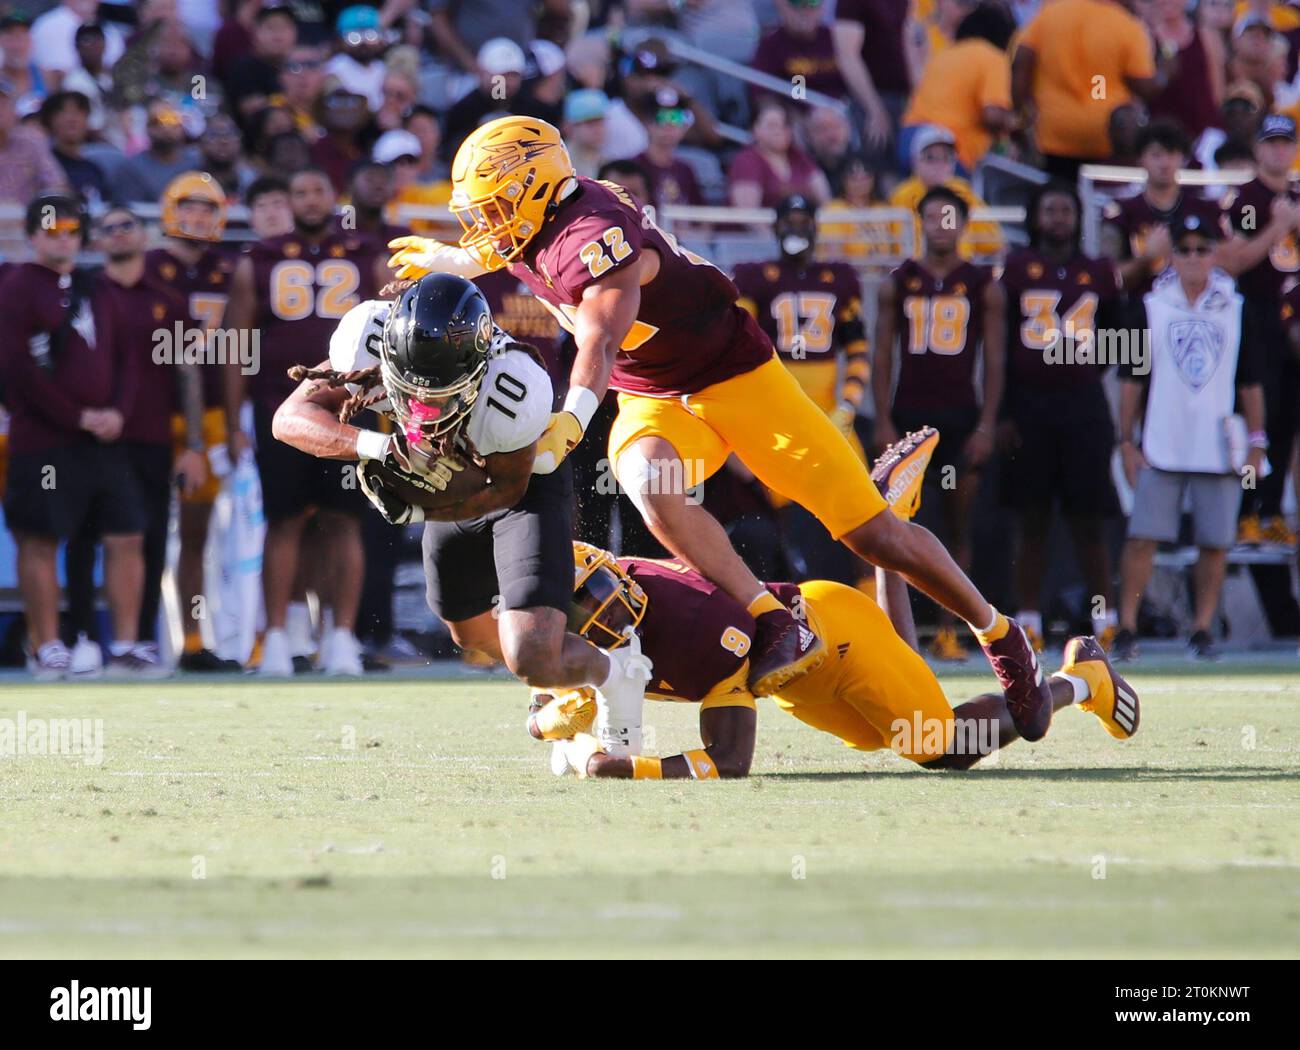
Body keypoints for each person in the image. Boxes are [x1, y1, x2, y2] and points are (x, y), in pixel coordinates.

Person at [387, 116, 1055, 742]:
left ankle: (998, 632)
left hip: (736, 378)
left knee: (874, 534)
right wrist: (459, 261)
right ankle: (771, 620)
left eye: (498, 207)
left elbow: (598, 338)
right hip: (657, 395)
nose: (489, 225)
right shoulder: (544, 221)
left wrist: (573, 417)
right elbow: (523, 254)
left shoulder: (595, 235)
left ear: (536, 190)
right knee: (650, 483)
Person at [533, 464, 1139, 780]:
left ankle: (1081, 680)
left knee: (938, 746)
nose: (606, 610)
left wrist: (603, 762)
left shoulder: (702, 635)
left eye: (606, 597)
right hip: (799, 675)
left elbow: (728, 763)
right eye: (588, 612)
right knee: (889, 729)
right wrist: (552, 704)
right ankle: (890, 546)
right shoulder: (584, 596)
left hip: (833, 639)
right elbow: (542, 665)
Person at [271, 273, 653, 745]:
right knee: (468, 634)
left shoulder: (514, 388)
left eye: (442, 390)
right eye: (412, 385)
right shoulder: (366, 336)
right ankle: (562, 672)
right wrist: (379, 447)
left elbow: (507, 490)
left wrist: (422, 510)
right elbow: (288, 418)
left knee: (531, 654)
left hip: (518, 485)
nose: (425, 405)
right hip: (440, 478)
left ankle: (616, 674)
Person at [223, 168, 389, 676]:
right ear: (287, 201)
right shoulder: (261, 260)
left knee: (343, 521)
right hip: (283, 409)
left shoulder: (366, 252)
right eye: (299, 191)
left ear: (334, 197)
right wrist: (234, 419)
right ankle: (275, 637)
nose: (310, 199)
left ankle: (341, 638)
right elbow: (236, 346)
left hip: (351, 408)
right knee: (285, 521)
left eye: (318, 189)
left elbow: (395, 332)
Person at [0, 195, 148, 678]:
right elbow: (17, 370)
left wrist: (118, 413)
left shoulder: (97, 286)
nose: (61, 237)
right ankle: (48, 646)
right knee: (39, 538)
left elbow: (128, 355)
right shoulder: (16, 286)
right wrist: (77, 416)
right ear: (32, 235)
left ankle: (125, 645)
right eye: (50, 230)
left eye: (69, 229)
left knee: (126, 534)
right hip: (44, 441)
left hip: (104, 439)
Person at [1113, 214, 1267, 661]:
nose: (1195, 257)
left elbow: (1251, 381)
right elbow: (1131, 378)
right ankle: (1125, 625)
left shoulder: (1236, 306)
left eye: (1203, 248)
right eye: (1185, 248)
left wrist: (1257, 440)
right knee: (1142, 536)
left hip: (1218, 445)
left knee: (1214, 541)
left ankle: (1202, 628)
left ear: (1214, 254)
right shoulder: (1149, 305)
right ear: (1172, 255)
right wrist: (1126, 439)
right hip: (1161, 441)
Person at [873, 187, 1004, 661]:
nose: (941, 225)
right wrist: (884, 417)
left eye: (950, 217)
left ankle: (951, 628)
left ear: (964, 223)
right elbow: (882, 354)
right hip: (909, 415)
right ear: (920, 222)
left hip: (960, 416)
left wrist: (987, 423)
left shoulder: (982, 283)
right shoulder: (899, 281)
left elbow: (993, 360)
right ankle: (898, 630)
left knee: (957, 525)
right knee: (891, 524)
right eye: (933, 216)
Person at [1000, 183, 1123, 651]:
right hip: (1029, 408)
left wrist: (1080, 369)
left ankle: (1103, 618)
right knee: (1031, 520)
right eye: (1049, 209)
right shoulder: (1016, 268)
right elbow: (1001, 346)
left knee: (1089, 519)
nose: (1057, 218)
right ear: (1036, 217)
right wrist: (1008, 411)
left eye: (1065, 210)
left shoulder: (1100, 271)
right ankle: (1027, 620)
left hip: (1082, 407)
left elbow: (1118, 335)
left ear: (1077, 217)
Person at [734, 194, 871, 583]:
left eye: (804, 219)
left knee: (865, 507)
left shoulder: (840, 278)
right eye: (789, 220)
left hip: (830, 412)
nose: (797, 228)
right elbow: (741, 345)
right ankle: (785, 602)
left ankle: (871, 603)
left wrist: (848, 405)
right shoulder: (754, 277)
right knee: (776, 515)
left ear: (816, 226)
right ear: (775, 228)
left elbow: (859, 352)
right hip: (777, 410)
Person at [144, 172, 242, 672]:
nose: (197, 216)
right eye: (188, 206)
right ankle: (140, 637)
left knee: (198, 532)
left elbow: (235, 354)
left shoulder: (227, 269)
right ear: (169, 209)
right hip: (148, 411)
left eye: (207, 207)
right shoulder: (147, 267)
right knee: (140, 529)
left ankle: (191, 640)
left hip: (207, 414)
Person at [1218, 114, 1300, 549]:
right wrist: (1279, 226)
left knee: (1288, 417)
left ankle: (1270, 512)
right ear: (1257, 149)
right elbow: (1233, 261)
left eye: (1286, 143)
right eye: (1271, 143)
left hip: (1296, 317)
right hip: (1257, 315)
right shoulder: (1245, 198)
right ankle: (1246, 510)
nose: (1278, 151)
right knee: (1257, 420)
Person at [1012, 0, 1164, 182]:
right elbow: (1144, 86)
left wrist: (1022, 114)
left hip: (1052, 135)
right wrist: (1166, 73)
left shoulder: (1048, 15)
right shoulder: (1126, 25)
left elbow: (1021, 62)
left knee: (1060, 201)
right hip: (1106, 139)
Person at [1102, 121, 1225, 298]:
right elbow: (1110, 278)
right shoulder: (1122, 213)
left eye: (1171, 154)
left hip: (1196, 313)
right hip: (1141, 313)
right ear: (1140, 159)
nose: (1164, 163)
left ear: (1183, 158)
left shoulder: (1205, 210)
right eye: (1156, 155)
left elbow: (1225, 268)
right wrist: (1145, 260)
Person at [900, 4, 1015, 175]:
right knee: (952, 201)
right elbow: (993, 114)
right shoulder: (993, 57)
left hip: (908, 140)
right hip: (947, 147)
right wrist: (1015, 124)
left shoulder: (944, 54)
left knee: (914, 199)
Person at [888, 125, 1003, 261]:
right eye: (930, 157)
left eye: (947, 157)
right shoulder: (902, 195)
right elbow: (894, 250)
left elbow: (994, 245)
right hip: (917, 273)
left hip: (961, 271)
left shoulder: (963, 191)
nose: (940, 164)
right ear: (915, 161)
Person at [729, 99, 831, 209]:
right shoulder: (746, 161)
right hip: (766, 225)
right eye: (772, 125)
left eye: (785, 124)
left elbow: (826, 202)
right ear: (755, 130)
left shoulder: (799, 157)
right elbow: (749, 216)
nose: (779, 130)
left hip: (801, 225)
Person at [0, 78, 67, 205]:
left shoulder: (31, 143)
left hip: (24, 220)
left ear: (14, 111)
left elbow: (57, 187)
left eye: (3, 104)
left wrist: (46, 222)